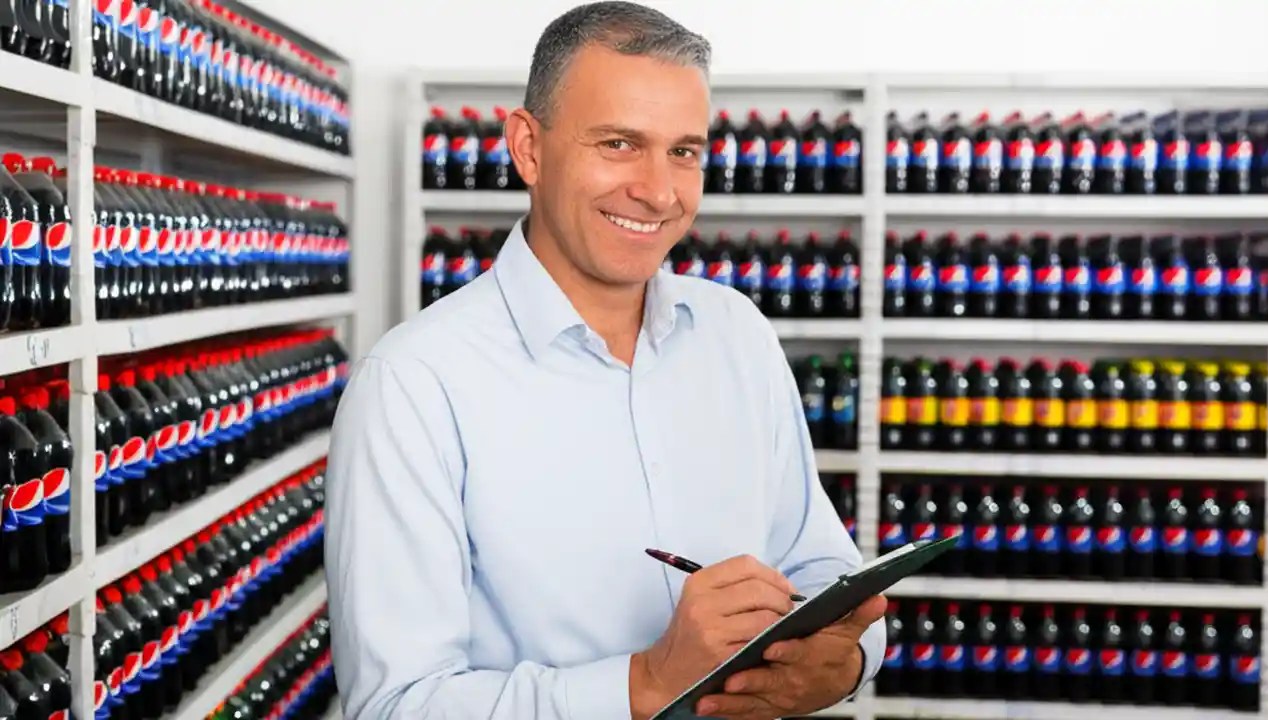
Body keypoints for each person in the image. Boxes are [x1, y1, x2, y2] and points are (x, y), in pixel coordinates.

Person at [324, 2, 886, 718]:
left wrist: (843, 662)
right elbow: (395, 705)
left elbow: (820, 564)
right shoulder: (413, 385)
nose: (658, 191)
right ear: (528, 148)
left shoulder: (736, 334)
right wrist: (646, 682)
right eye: (619, 143)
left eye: (684, 151)